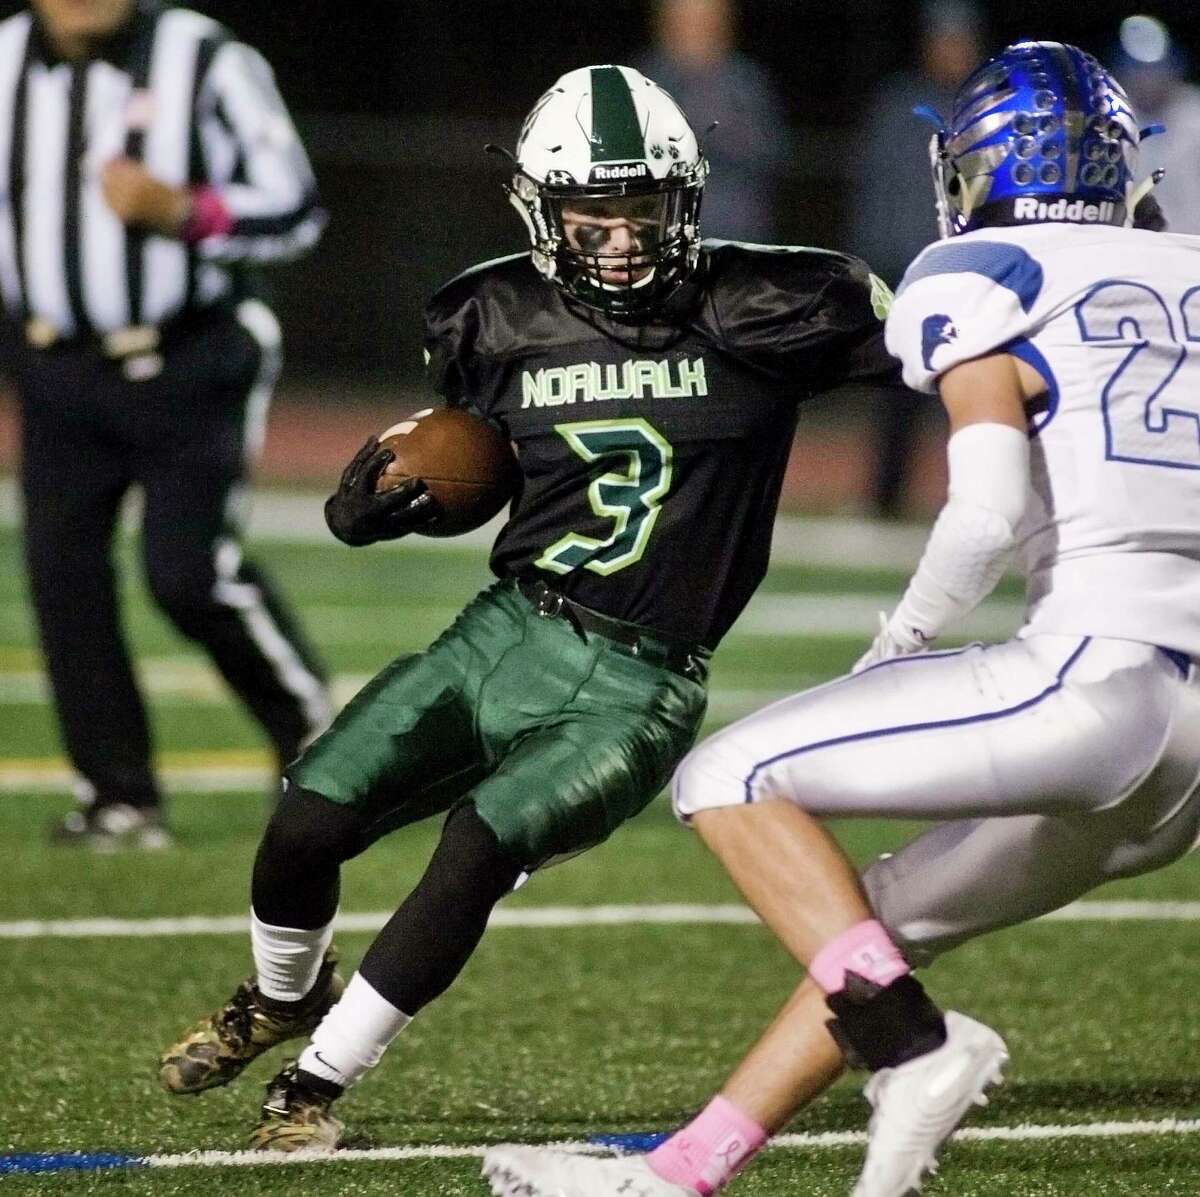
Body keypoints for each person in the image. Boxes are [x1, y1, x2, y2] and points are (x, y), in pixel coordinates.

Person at [481, 41, 1200, 1197]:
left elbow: (979, 517)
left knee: (727, 779)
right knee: (872, 929)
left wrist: (892, 651)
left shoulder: (984, 270)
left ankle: (925, 1054)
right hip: (1188, 750)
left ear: (972, 166)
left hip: (1094, 681)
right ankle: (683, 1172)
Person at [157, 63, 910, 1152]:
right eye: (589, 213)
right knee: (308, 820)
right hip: (509, 626)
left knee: (475, 846)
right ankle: (281, 997)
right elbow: (483, 469)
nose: (617, 240)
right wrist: (380, 511)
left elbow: (952, 349)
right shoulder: (489, 311)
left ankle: (314, 1087)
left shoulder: (777, 303)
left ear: (688, 202)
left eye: (641, 210)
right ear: (539, 209)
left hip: (643, 680)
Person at [2, 0, 332, 848]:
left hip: (190, 355)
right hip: (54, 365)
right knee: (62, 578)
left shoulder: (206, 55)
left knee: (188, 574)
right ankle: (119, 795)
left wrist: (189, 212)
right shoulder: (4, 59)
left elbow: (297, 205)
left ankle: (318, 743)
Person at [850, 0, 985, 518]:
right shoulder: (899, 103)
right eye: (942, 39)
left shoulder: (987, 106)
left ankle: (976, 500)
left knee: (973, 389)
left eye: (958, 39)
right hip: (905, 267)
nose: (950, 50)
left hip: (969, 271)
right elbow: (876, 186)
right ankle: (885, 500)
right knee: (899, 393)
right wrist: (869, 264)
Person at [636, 0, 790, 243]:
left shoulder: (747, 85)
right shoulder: (638, 83)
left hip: (735, 237)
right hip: (659, 237)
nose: (699, 29)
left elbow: (772, 154)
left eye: (708, 19)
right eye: (687, 20)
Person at [1112, 13, 1200, 234]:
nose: (1148, 79)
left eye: (1155, 69)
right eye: (1139, 71)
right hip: (1143, 248)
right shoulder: (1112, 122)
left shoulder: (1194, 113)